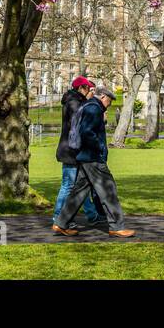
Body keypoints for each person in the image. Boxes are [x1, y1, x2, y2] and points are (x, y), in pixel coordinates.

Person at [53, 86, 135, 238]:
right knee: (109, 190)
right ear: (103, 97)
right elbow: (87, 132)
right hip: (93, 158)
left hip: (84, 157)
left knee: (78, 192)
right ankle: (117, 226)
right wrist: (99, 148)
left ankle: (61, 223)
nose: (109, 105)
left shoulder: (87, 106)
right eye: (109, 101)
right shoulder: (94, 109)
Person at [52, 77, 105, 229]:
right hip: (70, 150)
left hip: (72, 149)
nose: (90, 91)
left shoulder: (75, 101)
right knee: (68, 185)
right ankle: (58, 216)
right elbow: (81, 123)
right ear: (81, 88)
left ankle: (92, 215)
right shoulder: (74, 103)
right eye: (88, 89)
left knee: (79, 186)